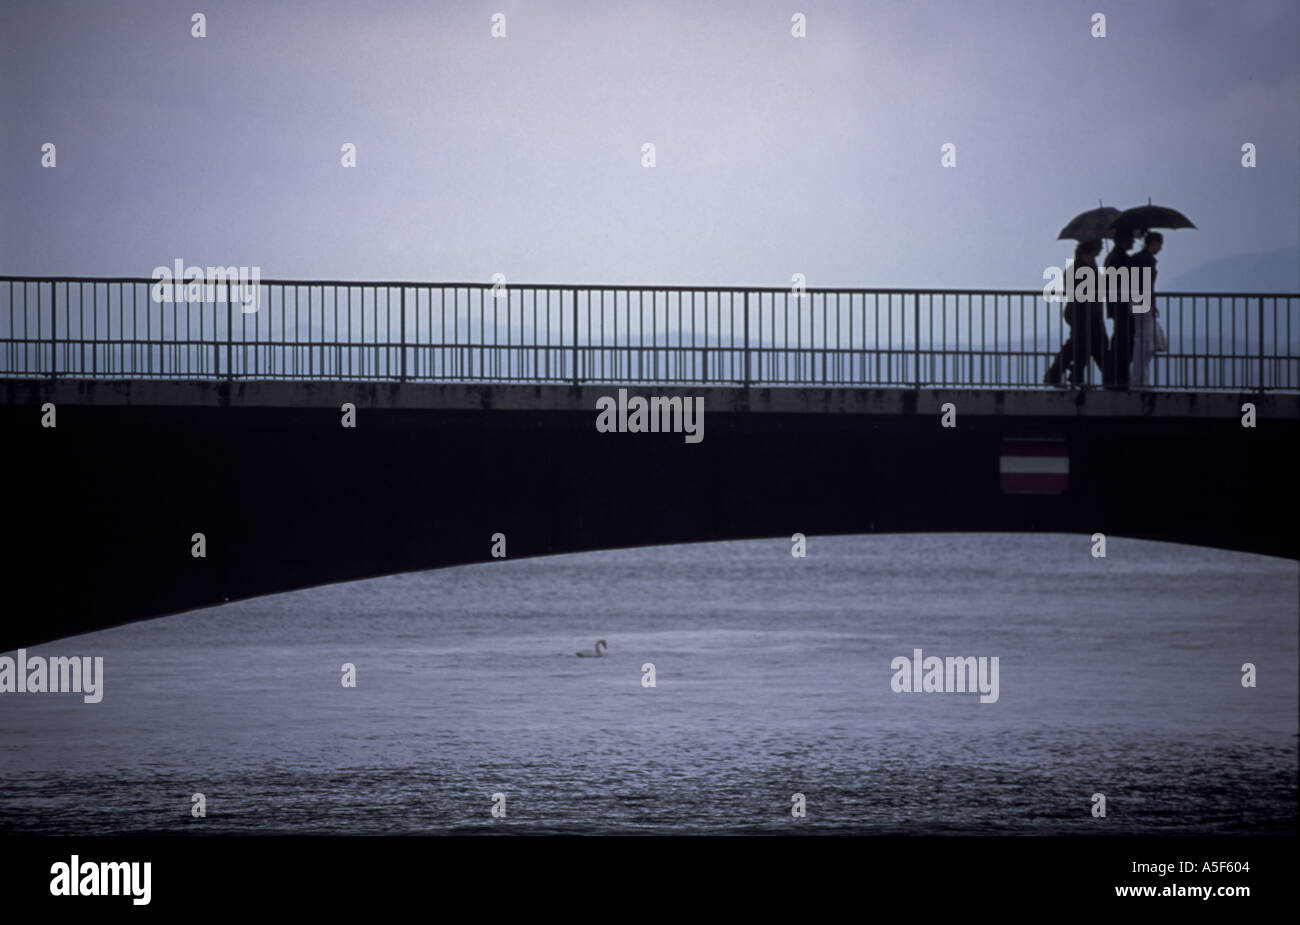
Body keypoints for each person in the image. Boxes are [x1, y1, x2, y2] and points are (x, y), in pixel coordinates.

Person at [1044, 239, 1107, 387]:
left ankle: (1062, 375)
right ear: (1089, 252)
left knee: (1078, 345)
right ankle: (1067, 376)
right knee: (1081, 345)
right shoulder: (1080, 269)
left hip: (1083, 313)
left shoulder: (1085, 267)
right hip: (1082, 313)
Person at [1127, 231, 1162, 386]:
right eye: (1159, 244)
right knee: (1145, 341)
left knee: (1142, 340)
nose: (1160, 248)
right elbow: (1147, 285)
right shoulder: (1147, 260)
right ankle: (1140, 379)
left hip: (1134, 299)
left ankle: (1139, 377)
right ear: (1153, 243)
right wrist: (1152, 303)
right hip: (1142, 300)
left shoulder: (1135, 259)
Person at [1104, 229, 1135, 387]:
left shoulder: (1113, 257)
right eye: (1131, 239)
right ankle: (1119, 378)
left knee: (1120, 341)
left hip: (1117, 305)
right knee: (1122, 343)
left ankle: (1115, 378)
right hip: (1121, 305)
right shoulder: (1120, 259)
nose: (1134, 242)